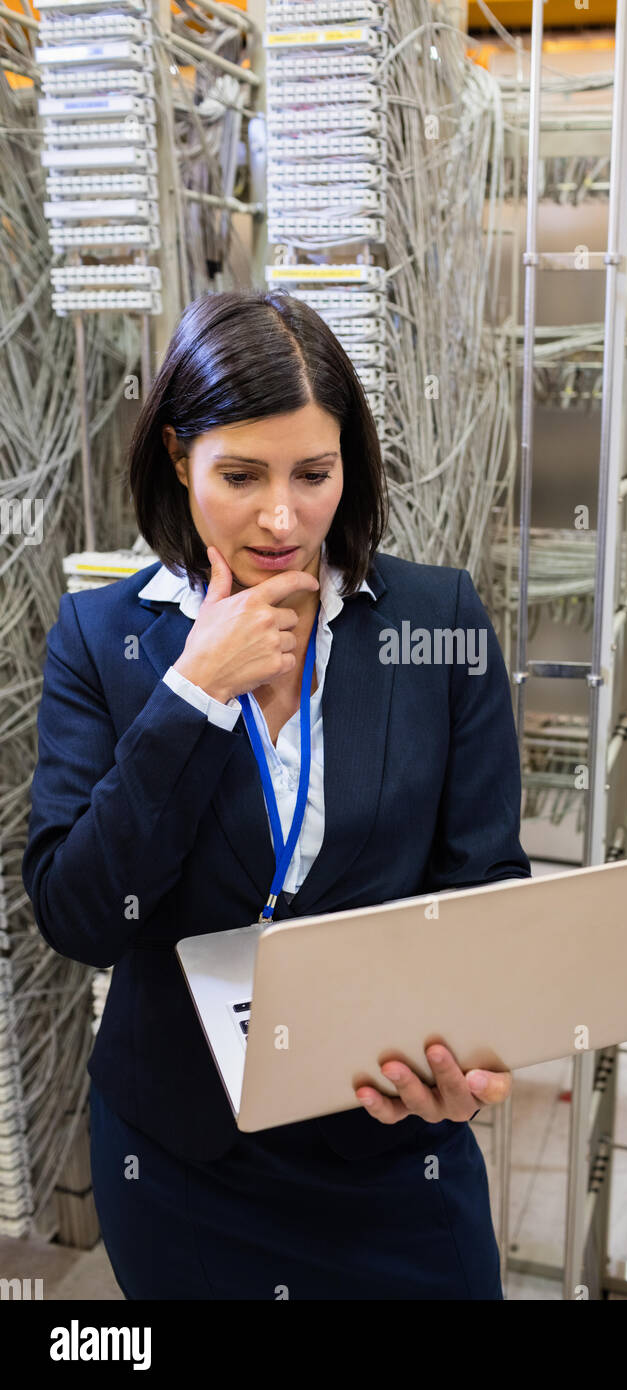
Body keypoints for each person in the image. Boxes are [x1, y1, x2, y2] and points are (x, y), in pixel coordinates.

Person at [22, 288, 532, 1300]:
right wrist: (192, 692)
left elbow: (482, 887)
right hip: (180, 1155)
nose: (281, 516)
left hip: (387, 1145)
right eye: (240, 474)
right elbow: (78, 915)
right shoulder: (100, 640)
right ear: (178, 456)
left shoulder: (437, 623)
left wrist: (467, 1051)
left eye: (314, 473)